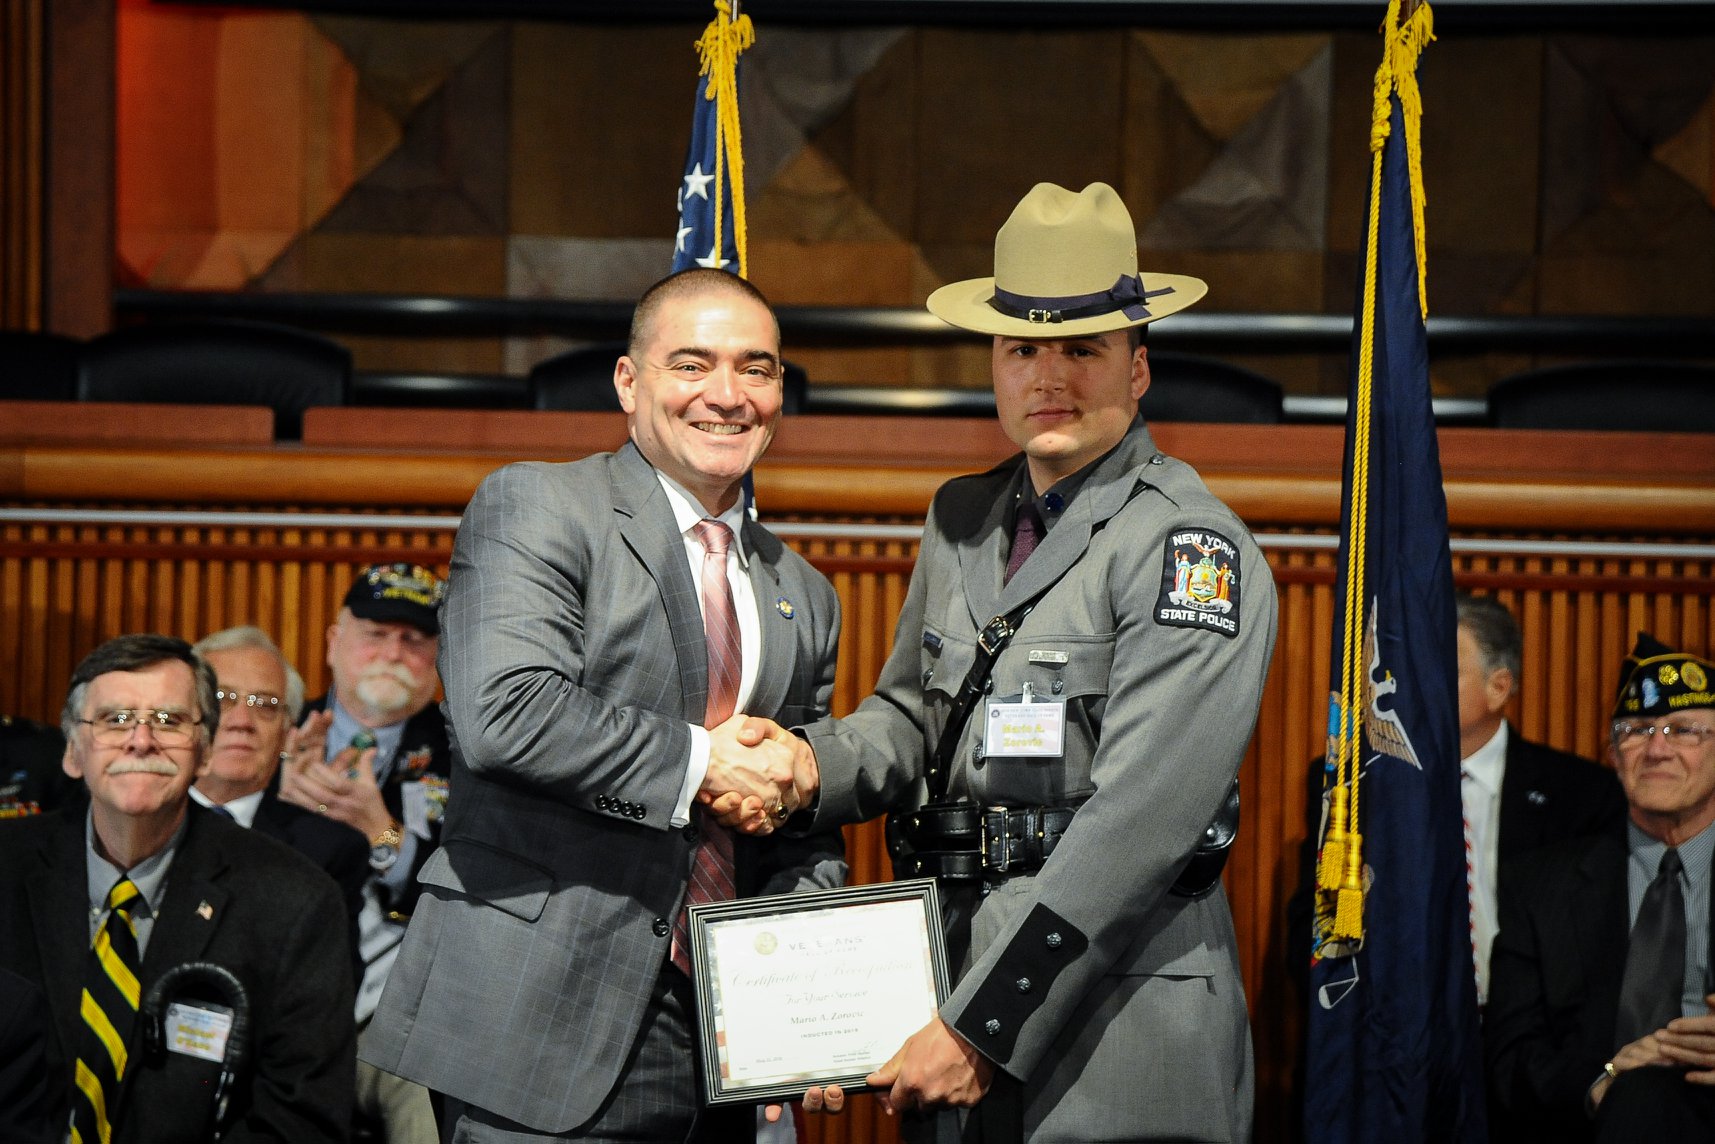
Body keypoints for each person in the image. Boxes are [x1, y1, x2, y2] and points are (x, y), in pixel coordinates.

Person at [746, 181, 1279, 1141]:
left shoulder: (1187, 548)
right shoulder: (962, 518)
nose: (1048, 376)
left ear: (1138, 367)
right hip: (951, 978)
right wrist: (804, 766)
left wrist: (984, 1026)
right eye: (1021, 348)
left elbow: (1140, 823)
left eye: (1082, 348)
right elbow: (913, 718)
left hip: (1113, 1026)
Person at [361, 267, 844, 1142]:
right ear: (629, 382)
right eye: (691, 365)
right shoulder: (538, 504)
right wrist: (704, 763)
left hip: (723, 1038)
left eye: (757, 369)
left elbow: (791, 815)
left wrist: (805, 1007)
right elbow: (507, 713)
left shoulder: (802, 591)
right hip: (539, 1020)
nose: (727, 396)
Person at [0, 633, 353, 1143]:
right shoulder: (7, 867)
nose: (141, 740)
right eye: (115, 720)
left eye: (167, 721)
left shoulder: (295, 901)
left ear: (204, 752)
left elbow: (300, 1123)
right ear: (74, 752)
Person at [1486, 633, 1715, 1142]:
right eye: (1635, 730)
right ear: (1611, 753)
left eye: (1683, 731)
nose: (1656, 748)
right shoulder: (1541, 884)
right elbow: (1509, 1059)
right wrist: (1600, 1083)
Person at [278, 562, 451, 1144]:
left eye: (414, 640)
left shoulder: (474, 757)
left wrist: (381, 832)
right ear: (333, 642)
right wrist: (276, 807)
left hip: (406, 1019)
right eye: (375, 634)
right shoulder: (272, 738)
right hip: (281, 1005)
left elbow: (480, 898)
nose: (393, 653)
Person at [191, 625, 369, 986]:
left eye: (266, 705)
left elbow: (332, 991)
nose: (242, 721)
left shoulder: (327, 851)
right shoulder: (133, 820)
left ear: (288, 730)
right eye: (223, 698)